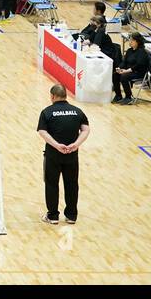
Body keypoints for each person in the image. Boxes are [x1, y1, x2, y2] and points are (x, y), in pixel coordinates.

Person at [36, 84, 90, 225]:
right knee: (72, 184)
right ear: (65, 95)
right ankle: (71, 215)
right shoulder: (77, 111)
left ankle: (53, 216)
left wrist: (57, 145)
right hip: (72, 155)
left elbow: (42, 132)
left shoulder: (47, 112)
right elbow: (85, 130)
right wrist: (76, 144)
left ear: (52, 96)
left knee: (51, 184)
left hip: (53, 155)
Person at [113, 32, 151, 105]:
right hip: (129, 71)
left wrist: (126, 71)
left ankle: (128, 97)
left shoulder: (142, 52)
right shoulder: (129, 51)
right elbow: (124, 62)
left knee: (124, 76)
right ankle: (118, 95)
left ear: (137, 41)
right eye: (130, 40)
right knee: (115, 75)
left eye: (132, 40)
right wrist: (119, 68)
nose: (130, 42)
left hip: (139, 72)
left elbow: (138, 65)